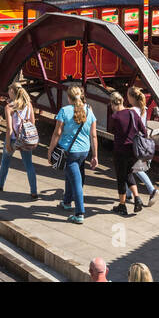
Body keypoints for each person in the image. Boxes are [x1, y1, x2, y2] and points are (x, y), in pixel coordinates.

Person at [48, 85, 97, 225]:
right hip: (84, 151)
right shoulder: (89, 111)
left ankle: (79, 213)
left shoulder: (64, 111)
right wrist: (95, 155)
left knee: (76, 182)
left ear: (68, 97)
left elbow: (57, 133)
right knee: (73, 176)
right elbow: (93, 135)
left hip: (69, 152)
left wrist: (50, 150)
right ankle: (67, 202)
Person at [0, 81, 39, 198]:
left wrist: (7, 142)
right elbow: (32, 122)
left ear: (12, 91)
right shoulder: (28, 105)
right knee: (29, 165)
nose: (8, 92)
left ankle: (0, 184)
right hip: (25, 138)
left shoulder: (9, 107)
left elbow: (9, 128)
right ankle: (34, 191)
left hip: (13, 138)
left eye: (8, 90)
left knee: (5, 162)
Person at [108, 91, 142, 216]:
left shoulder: (115, 117)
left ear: (113, 103)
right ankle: (137, 198)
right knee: (128, 174)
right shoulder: (132, 113)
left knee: (121, 179)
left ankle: (122, 205)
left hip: (120, 151)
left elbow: (110, 130)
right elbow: (142, 129)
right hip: (133, 151)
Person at [127, 87, 159, 205]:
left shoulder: (131, 110)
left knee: (134, 168)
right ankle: (128, 194)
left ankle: (151, 189)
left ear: (131, 97)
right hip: (141, 141)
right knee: (131, 168)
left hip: (133, 141)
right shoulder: (143, 109)